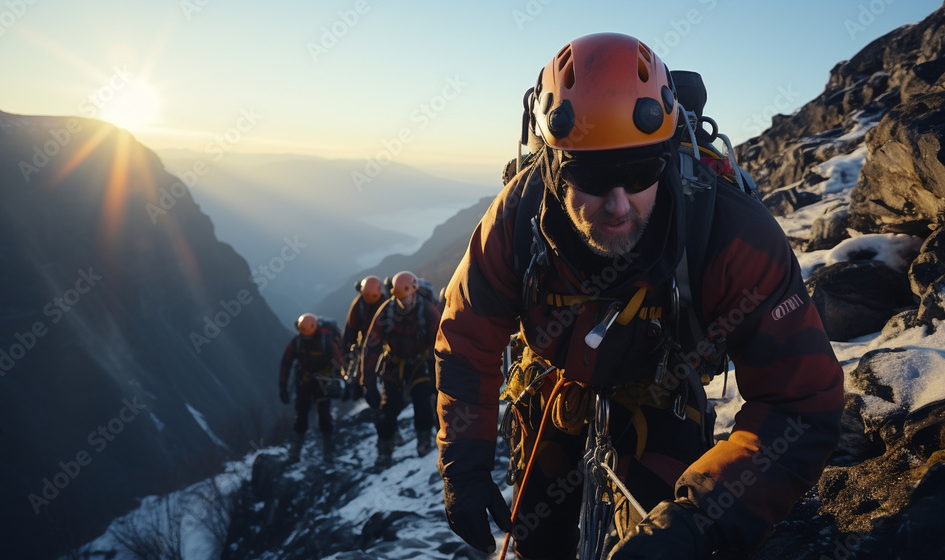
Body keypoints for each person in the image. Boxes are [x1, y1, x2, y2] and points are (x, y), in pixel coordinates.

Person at [435, 33, 844, 559]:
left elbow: (800, 403)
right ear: (553, 167)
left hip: (663, 386)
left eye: (640, 172)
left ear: (666, 157)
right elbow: (467, 336)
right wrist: (464, 467)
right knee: (539, 539)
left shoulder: (729, 232)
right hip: (556, 383)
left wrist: (701, 520)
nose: (618, 205)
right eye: (590, 175)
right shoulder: (518, 218)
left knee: (663, 536)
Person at [361, 271, 441, 466]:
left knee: (423, 402)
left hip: (420, 364)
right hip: (394, 365)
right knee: (388, 409)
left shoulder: (428, 310)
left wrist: (444, 373)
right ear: (396, 296)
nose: (408, 301)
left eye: (411, 296)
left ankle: (424, 443)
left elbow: (443, 341)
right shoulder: (386, 313)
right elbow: (372, 346)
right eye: (403, 298)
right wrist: (368, 382)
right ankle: (384, 451)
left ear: (416, 292)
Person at [279, 313, 343, 462]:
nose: (305, 337)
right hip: (305, 385)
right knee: (301, 418)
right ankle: (296, 454)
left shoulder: (325, 341)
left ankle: (326, 453)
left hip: (321, 385)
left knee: (324, 418)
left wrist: (338, 378)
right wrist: (282, 385)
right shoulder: (298, 342)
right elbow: (286, 362)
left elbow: (338, 361)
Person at [341, 275, 386, 401]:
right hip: (376, 344)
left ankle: (363, 394)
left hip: (372, 344)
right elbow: (350, 331)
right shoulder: (385, 302)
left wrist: (345, 361)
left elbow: (349, 333)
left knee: (365, 372)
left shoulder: (360, 304)